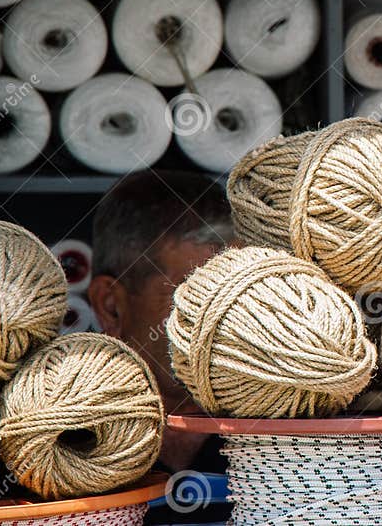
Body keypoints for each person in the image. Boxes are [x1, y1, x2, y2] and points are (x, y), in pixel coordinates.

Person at [88, 170, 233, 522]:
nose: (227, 318)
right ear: (111, 306)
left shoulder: (290, 439)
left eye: (237, 292)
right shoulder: (67, 442)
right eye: (192, 293)